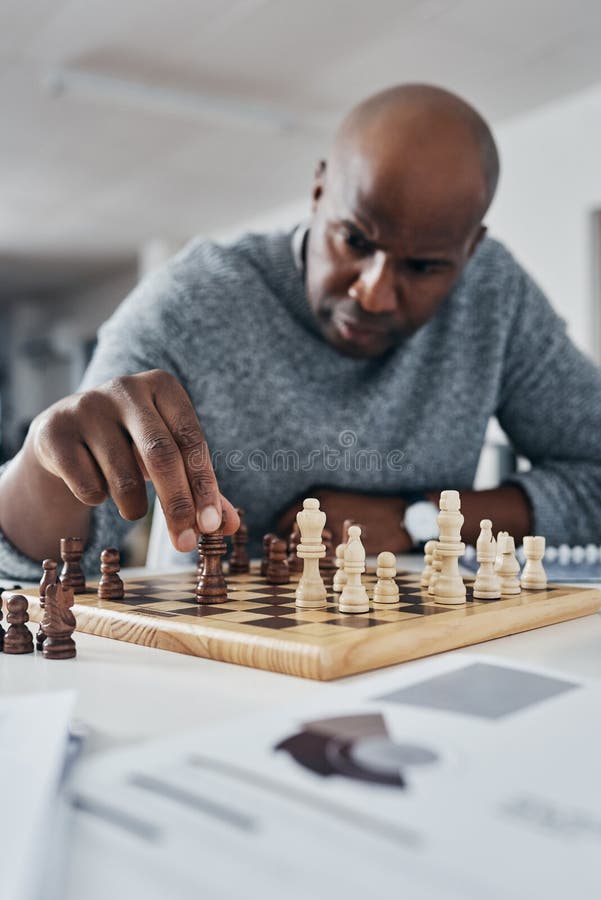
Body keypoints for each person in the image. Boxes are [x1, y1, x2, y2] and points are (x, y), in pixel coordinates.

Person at [1, 83, 600, 578]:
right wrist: (44, 462)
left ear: (471, 250)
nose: (373, 292)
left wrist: (414, 518)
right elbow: (39, 559)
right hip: (228, 659)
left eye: (424, 267)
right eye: (356, 240)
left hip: (416, 641)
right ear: (318, 192)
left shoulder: (494, 295)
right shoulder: (187, 302)